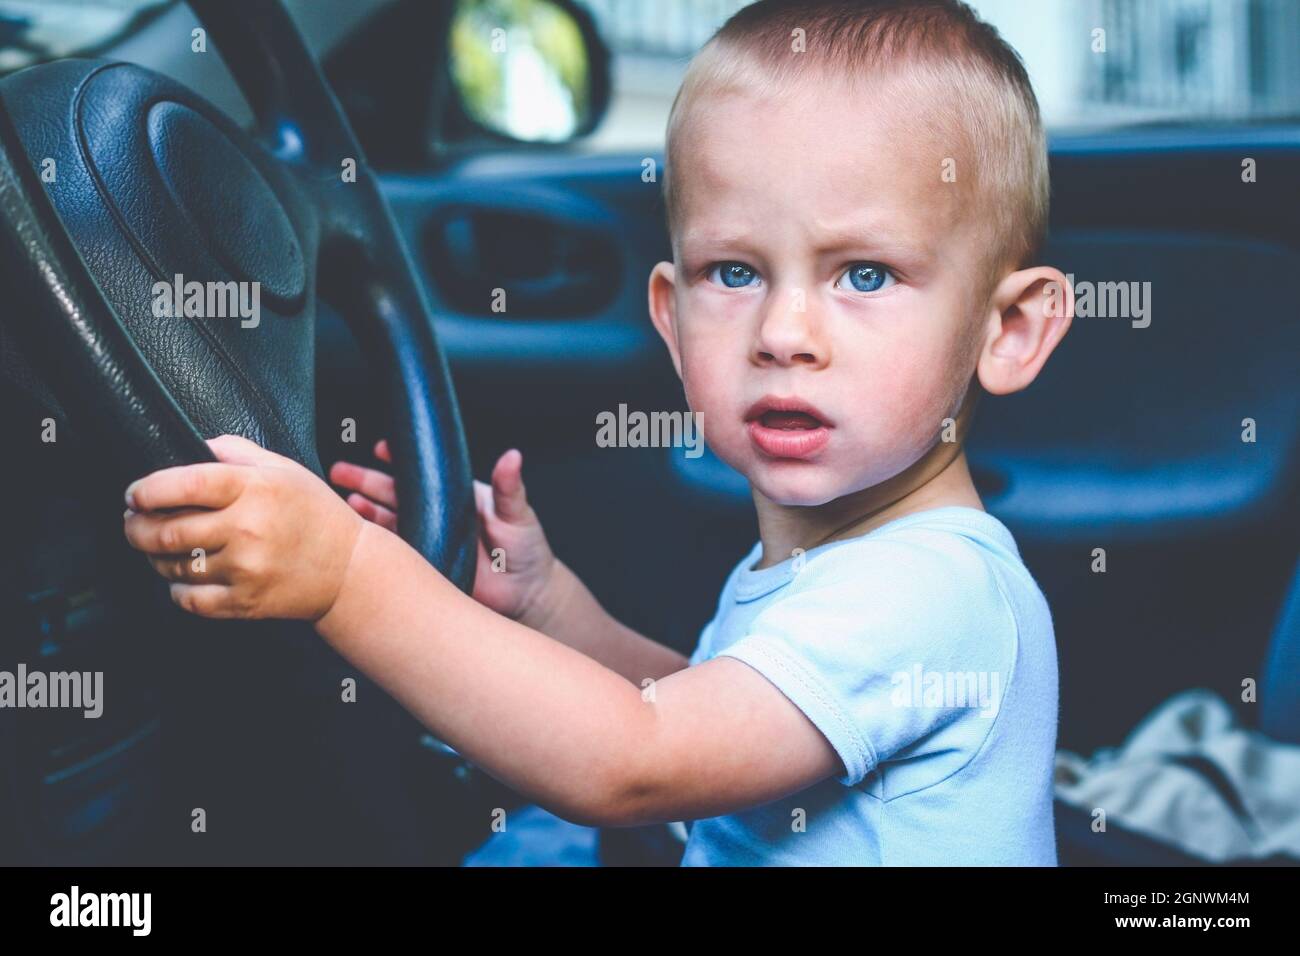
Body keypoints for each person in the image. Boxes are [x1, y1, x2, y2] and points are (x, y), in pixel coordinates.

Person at [123, 0, 1074, 865]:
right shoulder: (852, 567)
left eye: (864, 275)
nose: (785, 334)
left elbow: (637, 764)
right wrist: (548, 610)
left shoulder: (928, 593)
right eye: (734, 274)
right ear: (670, 315)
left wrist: (346, 575)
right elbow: (701, 715)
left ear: (1010, 330)